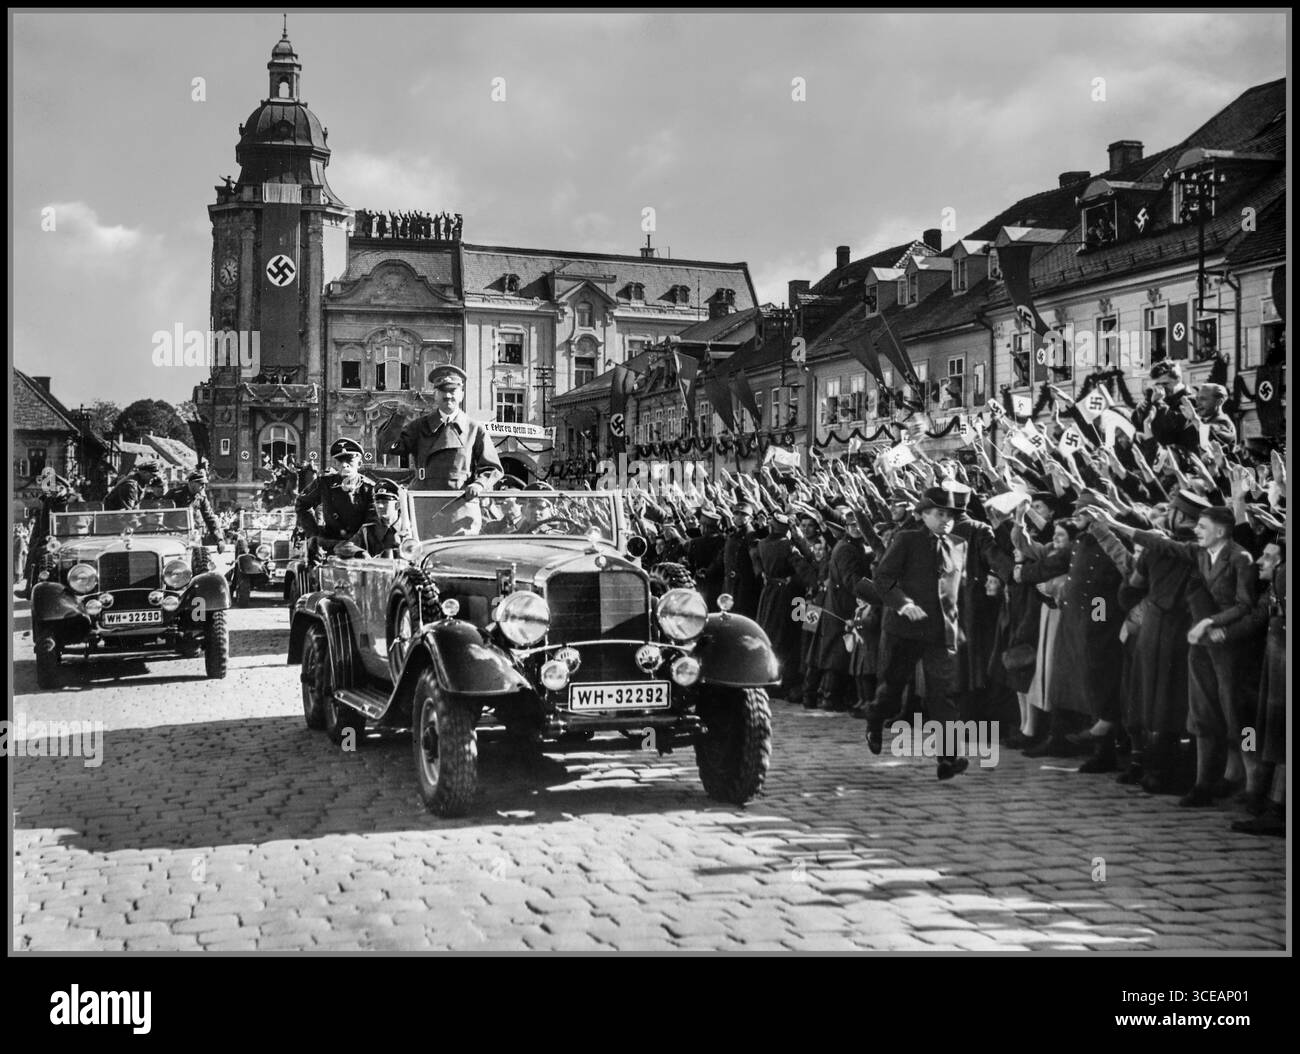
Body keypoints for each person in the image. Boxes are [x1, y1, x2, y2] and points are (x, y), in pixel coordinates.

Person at [1098, 503, 1256, 806]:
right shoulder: (1197, 552)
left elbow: (1245, 605)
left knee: (1238, 717)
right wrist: (1113, 524)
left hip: (1229, 645)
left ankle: (1249, 783)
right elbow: (1158, 542)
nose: (1195, 531)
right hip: (1200, 643)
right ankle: (1203, 785)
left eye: (1202, 527)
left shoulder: (1241, 558)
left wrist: (1211, 623)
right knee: (1201, 715)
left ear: (1221, 531)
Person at [866, 484, 972, 779]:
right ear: (923, 515)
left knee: (943, 695)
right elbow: (883, 577)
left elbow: (955, 590)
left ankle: (949, 759)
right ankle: (875, 719)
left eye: (950, 515)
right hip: (905, 629)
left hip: (940, 632)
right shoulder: (906, 539)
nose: (946, 519)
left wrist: (957, 625)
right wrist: (902, 604)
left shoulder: (959, 544)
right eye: (939, 514)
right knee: (892, 689)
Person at [387, 364, 504, 498]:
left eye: (453, 390)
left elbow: (493, 468)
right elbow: (389, 447)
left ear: (462, 395)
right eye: (442, 391)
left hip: (460, 500)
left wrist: (479, 484)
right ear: (435, 395)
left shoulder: (474, 429)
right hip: (425, 500)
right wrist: (399, 416)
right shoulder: (419, 426)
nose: (448, 396)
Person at [295, 438, 378, 563]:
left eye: (350, 461)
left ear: (359, 464)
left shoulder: (369, 488)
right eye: (340, 461)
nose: (344, 465)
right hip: (329, 545)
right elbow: (302, 504)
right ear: (335, 465)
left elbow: (373, 522)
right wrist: (314, 533)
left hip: (360, 548)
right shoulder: (324, 483)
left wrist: (352, 545)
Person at [1132, 361, 1200, 450]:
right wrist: (1146, 406)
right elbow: (1139, 425)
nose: (1161, 388)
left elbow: (1171, 430)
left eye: (1165, 384)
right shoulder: (1159, 399)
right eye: (1158, 384)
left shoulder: (1191, 400)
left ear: (1178, 380)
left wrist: (1158, 403)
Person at [339, 479, 410, 557]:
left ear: (397, 505)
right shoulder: (367, 530)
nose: (380, 506)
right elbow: (343, 547)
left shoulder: (409, 531)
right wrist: (360, 553)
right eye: (377, 502)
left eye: (385, 502)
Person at [722, 499, 762, 619]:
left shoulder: (751, 535)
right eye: (736, 514)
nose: (739, 517)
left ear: (750, 518)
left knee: (741, 618)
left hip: (744, 587)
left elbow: (756, 563)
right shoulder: (733, 535)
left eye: (744, 515)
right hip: (730, 585)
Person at [165, 469, 223, 543]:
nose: (204, 486)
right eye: (201, 483)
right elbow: (163, 512)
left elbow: (209, 517)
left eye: (205, 484)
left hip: (194, 535)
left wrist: (219, 538)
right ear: (192, 483)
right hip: (175, 535)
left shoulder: (201, 497)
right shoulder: (175, 494)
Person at [1194, 382, 1237, 448]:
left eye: (1203, 399)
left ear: (1219, 402)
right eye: (1197, 399)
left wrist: (1194, 420)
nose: (1197, 403)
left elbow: (1213, 439)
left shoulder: (1225, 423)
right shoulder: (1202, 420)